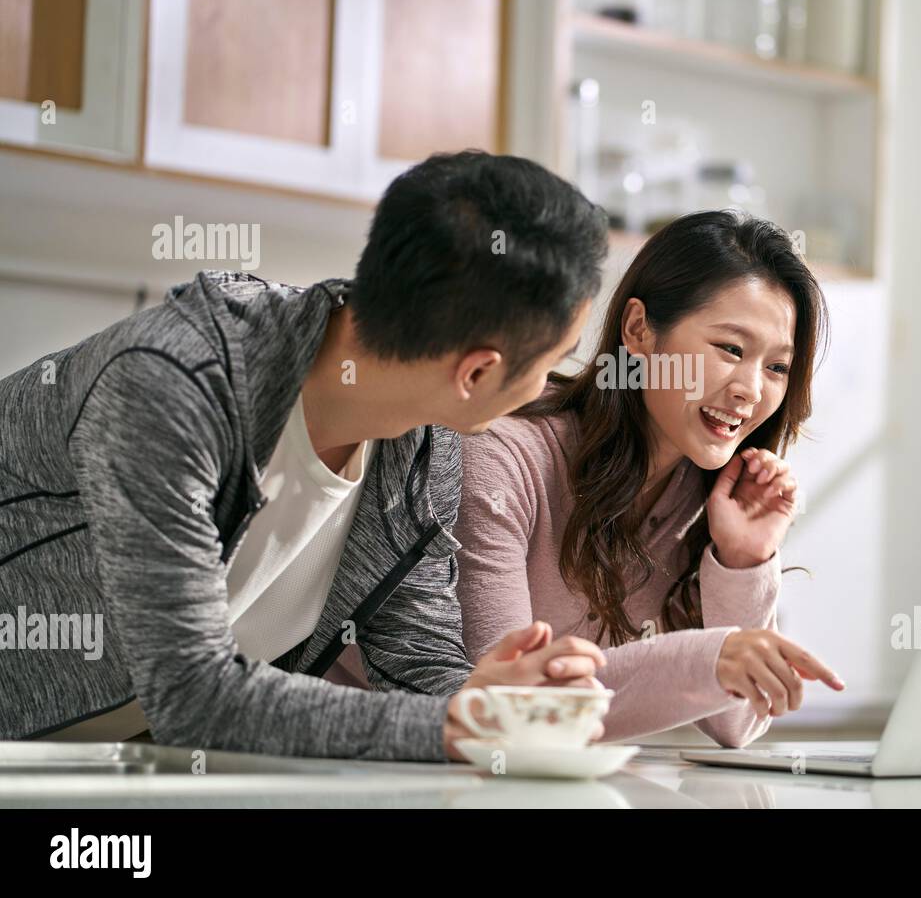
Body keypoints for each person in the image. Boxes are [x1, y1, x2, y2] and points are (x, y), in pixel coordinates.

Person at [0, 150, 610, 762]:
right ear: (477, 371)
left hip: (111, 769)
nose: (547, 386)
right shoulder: (170, 384)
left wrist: (491, 700)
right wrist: (460, 722)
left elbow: (417, 666)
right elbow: (190, 692)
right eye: (552, 361)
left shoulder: (424, 446)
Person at [455, 210, 845, 748]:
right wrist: (713, 659)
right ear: (638, 330)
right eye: (730, 349)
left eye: (777, 367)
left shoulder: (703, 494)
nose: (751, 390)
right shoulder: (504, 459)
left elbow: (738, 723)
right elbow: (513, 708)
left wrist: (743, 560)